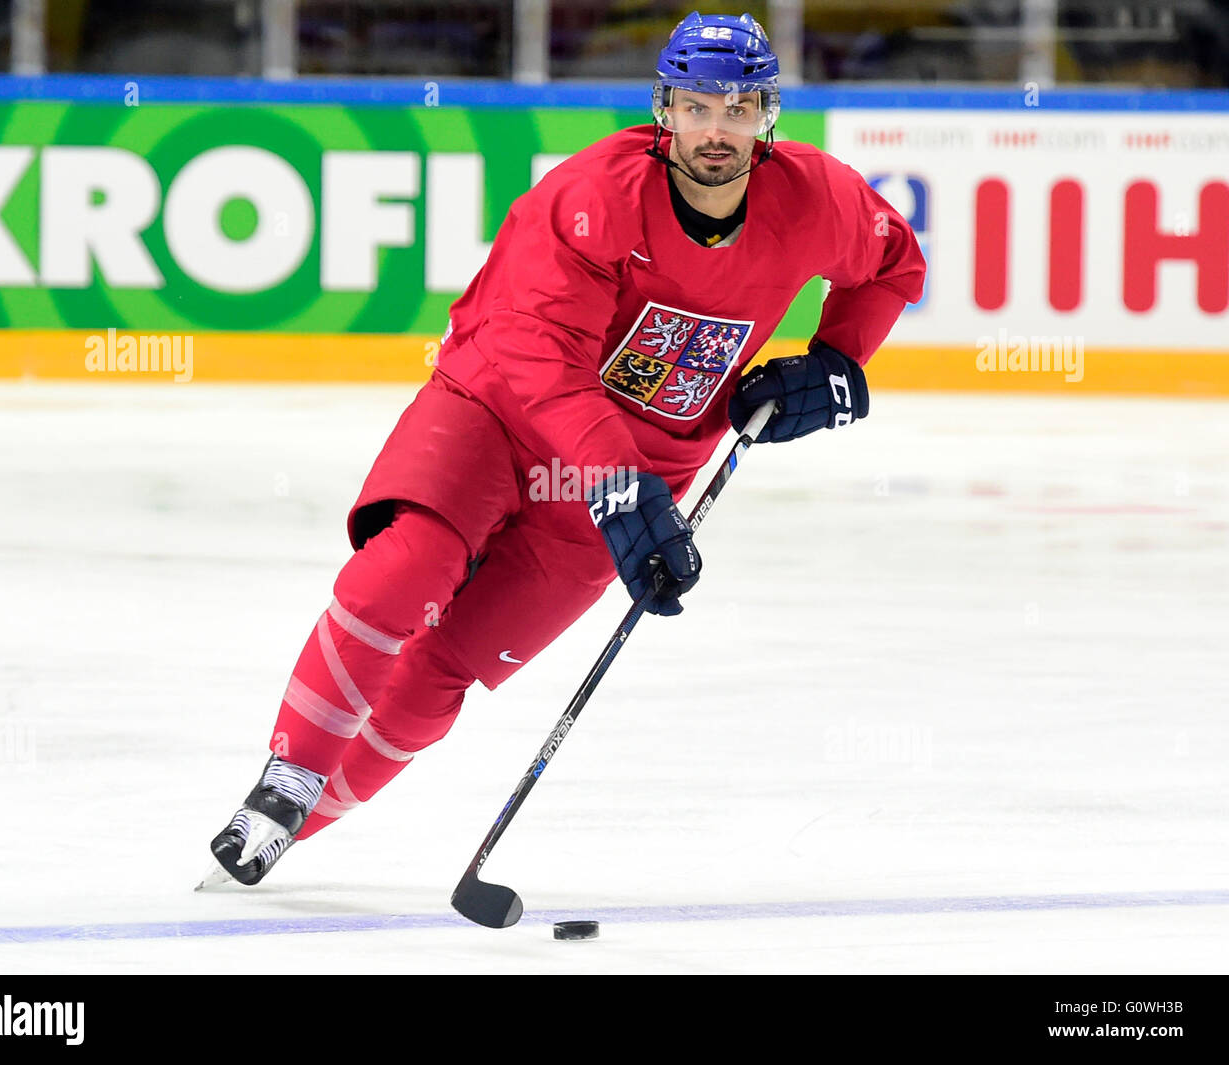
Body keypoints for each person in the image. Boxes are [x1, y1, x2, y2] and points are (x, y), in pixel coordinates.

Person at [200, 10, 925, 889]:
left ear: (770, 115)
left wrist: (838, 365)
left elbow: (894, 263)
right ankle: (287, 779)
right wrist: (617, 480)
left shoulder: (819, 199)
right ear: (665, 109)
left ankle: (300, 826)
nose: (718, 131)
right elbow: (533, 354)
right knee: (408, 567)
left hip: (637, 472)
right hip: (494, 415)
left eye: (740, 110)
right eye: (698, 107)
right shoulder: (593, 197)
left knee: (444, 674)